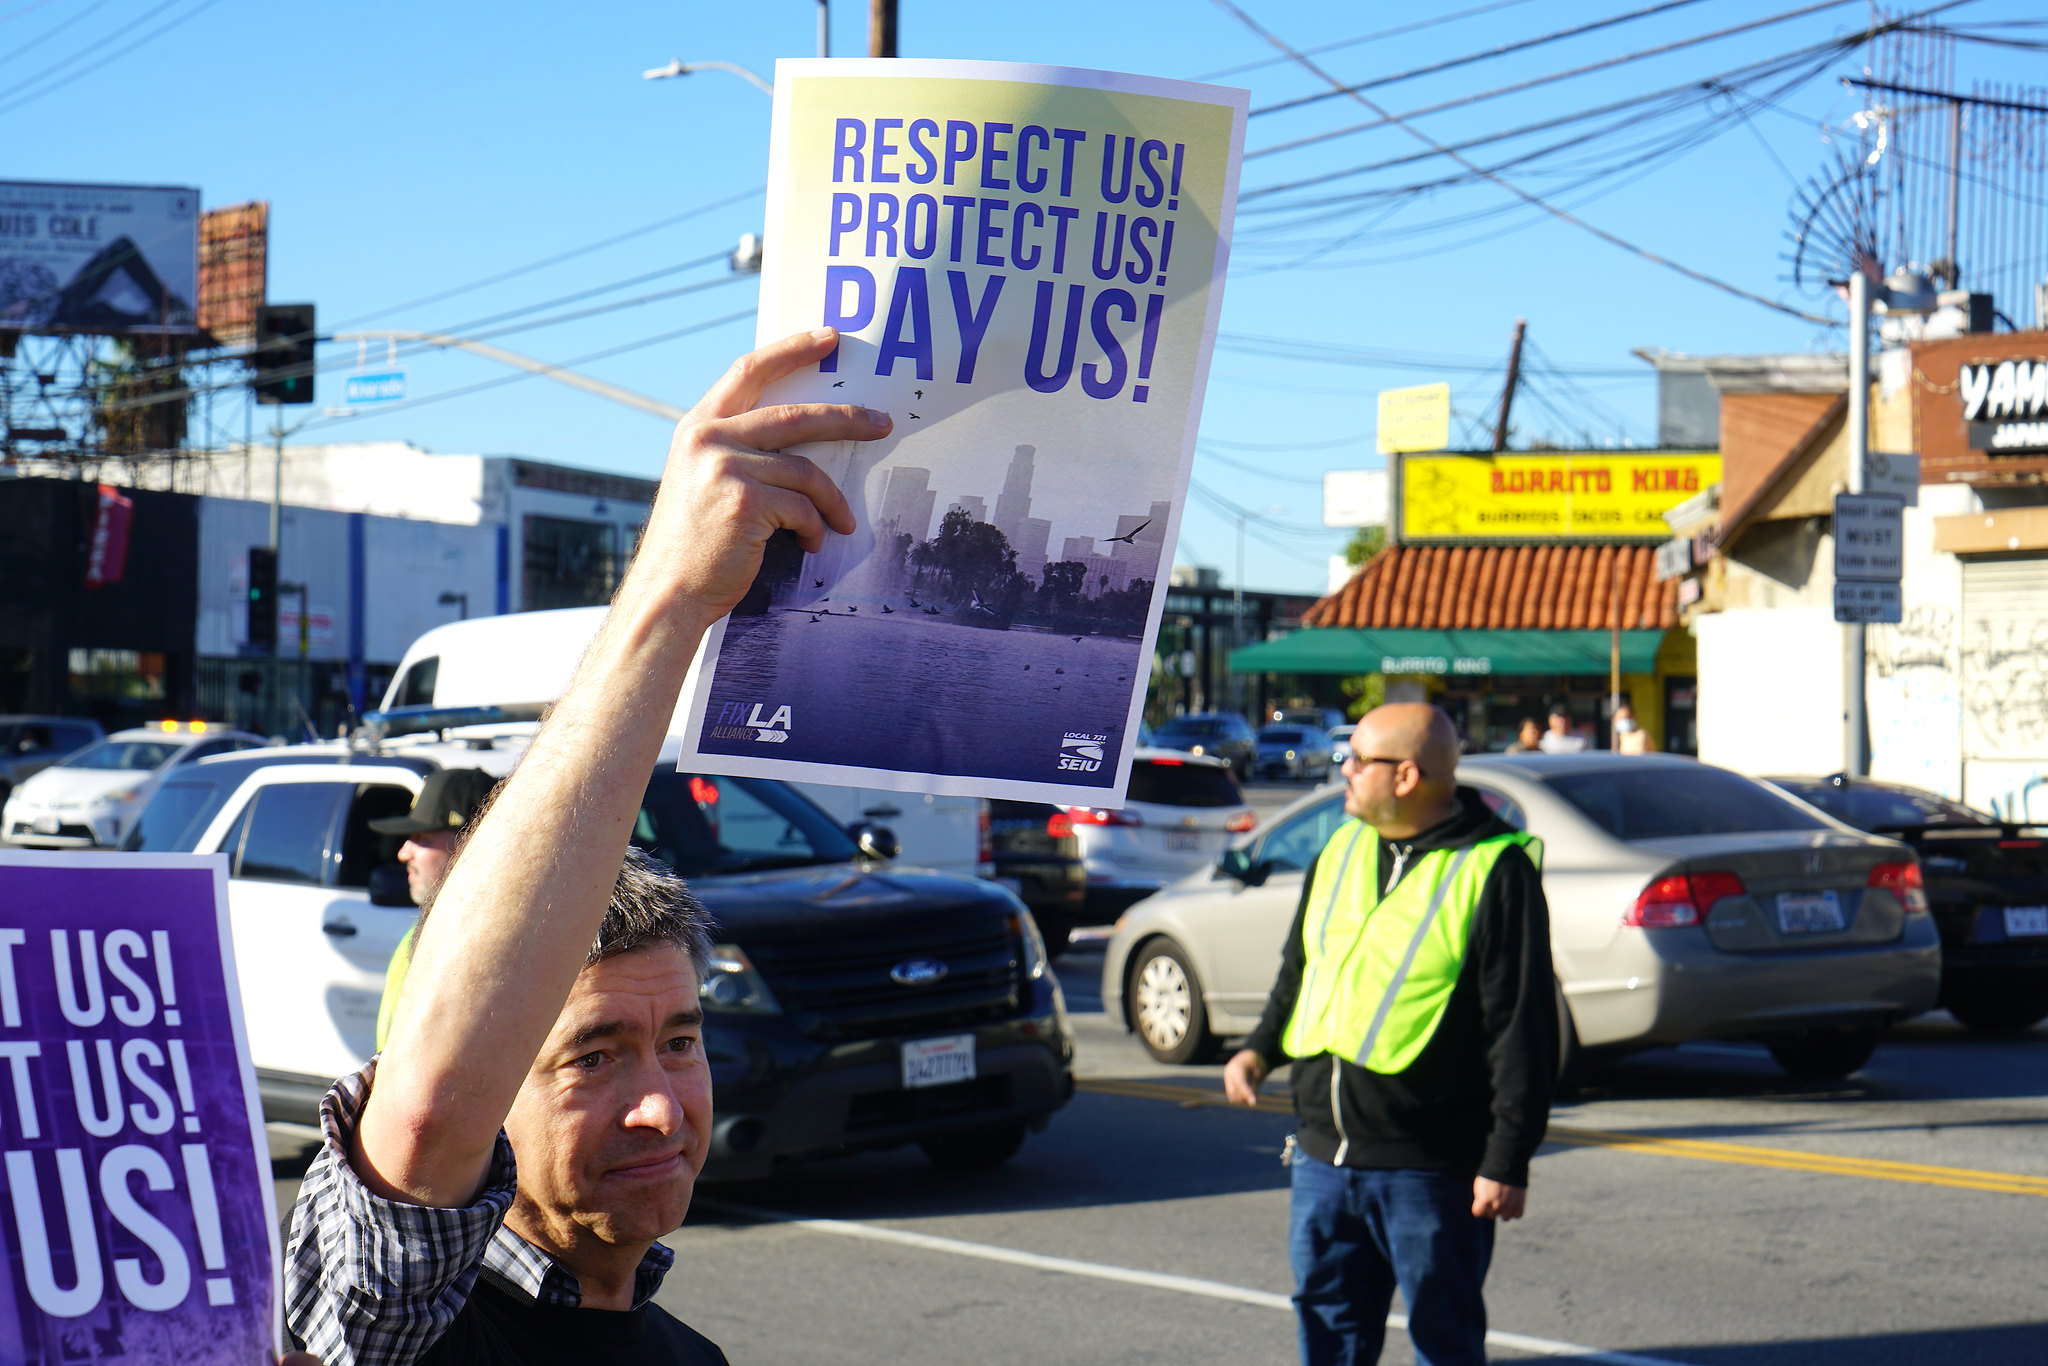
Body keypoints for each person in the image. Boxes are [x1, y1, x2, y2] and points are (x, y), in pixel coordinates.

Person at [284, 326, 886, 1364]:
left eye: (681, 1042)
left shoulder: (688, 1355)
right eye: (591, 1057)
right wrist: (672, 595)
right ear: (493, 1107)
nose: (659, 1106)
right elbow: (423, 1122)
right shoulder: (408, 1335)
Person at [1224, 703, 1556, 1366]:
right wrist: (1259, 1047)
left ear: (1405, 776)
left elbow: (1521, 1026)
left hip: (1429, 1168)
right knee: (1328, 1332)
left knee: (1444, 1340)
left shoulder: (1494, 871)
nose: (1342, 771)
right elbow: (1302, 965)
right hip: (1323, 1157)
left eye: (1357, 759)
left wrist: (1507, 1159)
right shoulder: (1341, 849)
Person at [368, 767, 500, 1050]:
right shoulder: (422, 935)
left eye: (423, 839)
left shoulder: (496, 947)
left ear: (470, 844)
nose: (403, 853)